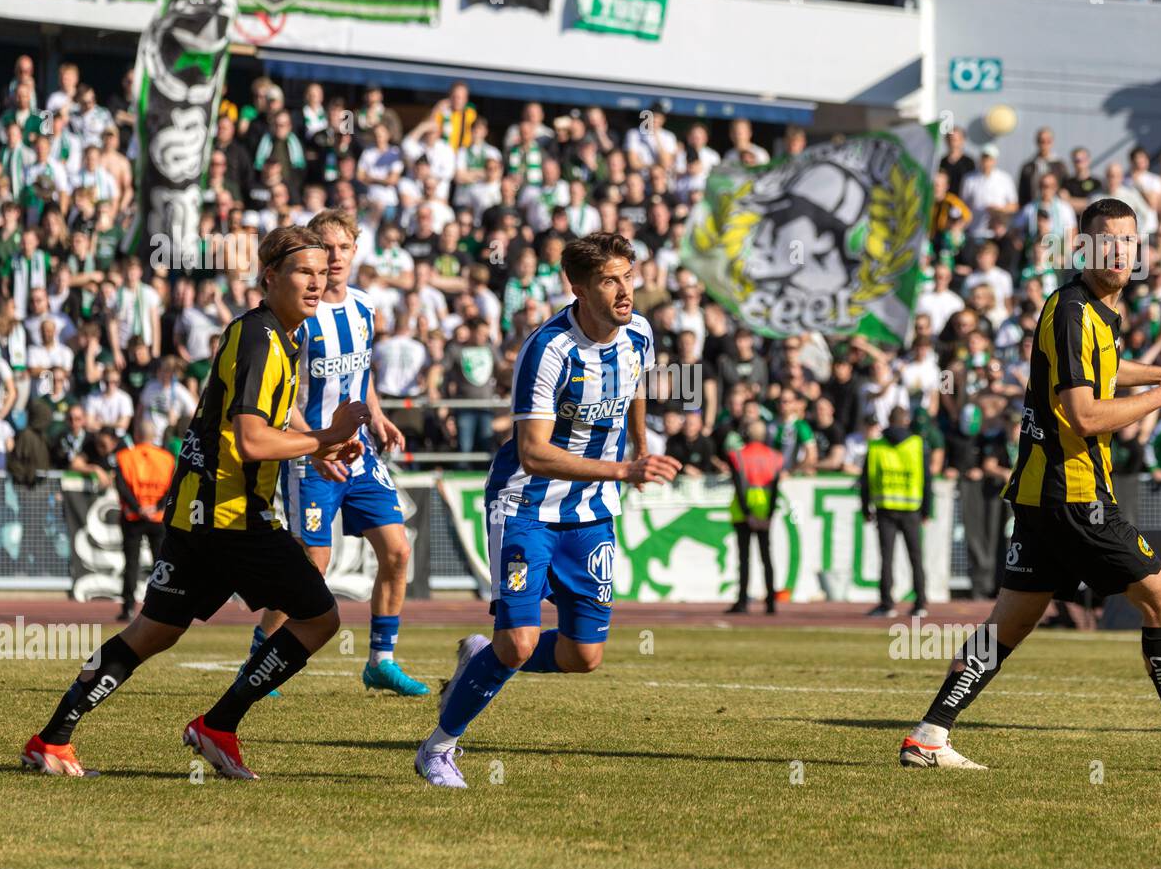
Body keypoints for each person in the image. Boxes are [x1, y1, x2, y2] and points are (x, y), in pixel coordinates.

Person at [899, 198, 1161, 771]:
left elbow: (1107, 367)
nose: (1118, 251)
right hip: (1075, 495)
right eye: (1105, 240)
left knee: (1010, 623)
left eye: (1128, 241)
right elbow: (1084, 415)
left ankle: (928, 735)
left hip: (1042, 496)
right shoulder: (1071, 311)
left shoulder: (1095, 311)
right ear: (1083, 248)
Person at [21, 226, 370, 779]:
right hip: (234, 516)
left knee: (152, 632)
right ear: (270, 277)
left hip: (197, 513)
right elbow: (252, 440)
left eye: (322, 273)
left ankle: (52, 738)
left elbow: (258, 426)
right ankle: (218, 724)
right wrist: (326, 436)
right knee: (320, 618)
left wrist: (316, 446)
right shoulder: (261, 338)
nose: (317, 282)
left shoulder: (280, 336)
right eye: (304, 272)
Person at [413, 232, 682, 789]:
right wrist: (624, 471)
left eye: (628, 277)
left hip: (591, 513)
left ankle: (481, 659)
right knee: (519, 642)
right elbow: (533, 453)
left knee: (584, 655)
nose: (625, 291)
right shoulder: (549, 349)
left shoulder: (639, 332)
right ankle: (438, 749)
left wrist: (640, 447)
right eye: (609, 281)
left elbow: (635, 387)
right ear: (578, 288)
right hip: (526, 505)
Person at [264, 209, 426, 696]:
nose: (334, 258)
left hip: (361, 453)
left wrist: (378, 416)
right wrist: (315, 444)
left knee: (397, 550)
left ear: (356, 251)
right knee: (312, 565)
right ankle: (262, 652)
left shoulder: (363, 307)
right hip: (310, 456)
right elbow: (283, 394)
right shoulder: (298, 315)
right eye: (325, 249)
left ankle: (380, 660)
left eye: (343, 248)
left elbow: (361, 372)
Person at [864, 405, 931, 619]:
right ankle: (920, 603)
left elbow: (866, 479)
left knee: (886, 557)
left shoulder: (876, 445)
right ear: (906, 421)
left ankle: (887, 604)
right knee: (916, 557)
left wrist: (865, 506)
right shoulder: (917, 444)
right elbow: (926, 479)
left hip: (885, 508)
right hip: (911, 509)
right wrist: (927, 509)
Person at [114, 416, 175, 623]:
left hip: (133, 517)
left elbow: (121, 487)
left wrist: (138, 508)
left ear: (136, 435)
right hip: (157, 517)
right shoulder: (167, 459)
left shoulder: (124, 457)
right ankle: (162, 606)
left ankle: (128, 607)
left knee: (131, 563)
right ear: (154, 435)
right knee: (161, 563)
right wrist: (155, 507)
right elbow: (171, 488)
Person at [725, 419, 783, 615]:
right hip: (764, 510)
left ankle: (742, 602)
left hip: (743, 513)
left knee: (744, 558)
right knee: (766, 557)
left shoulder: (737, 456)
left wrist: (747, 513)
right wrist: (769, 515)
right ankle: (771, 602)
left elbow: (739, 486)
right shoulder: (775, 456)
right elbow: (775, 489)